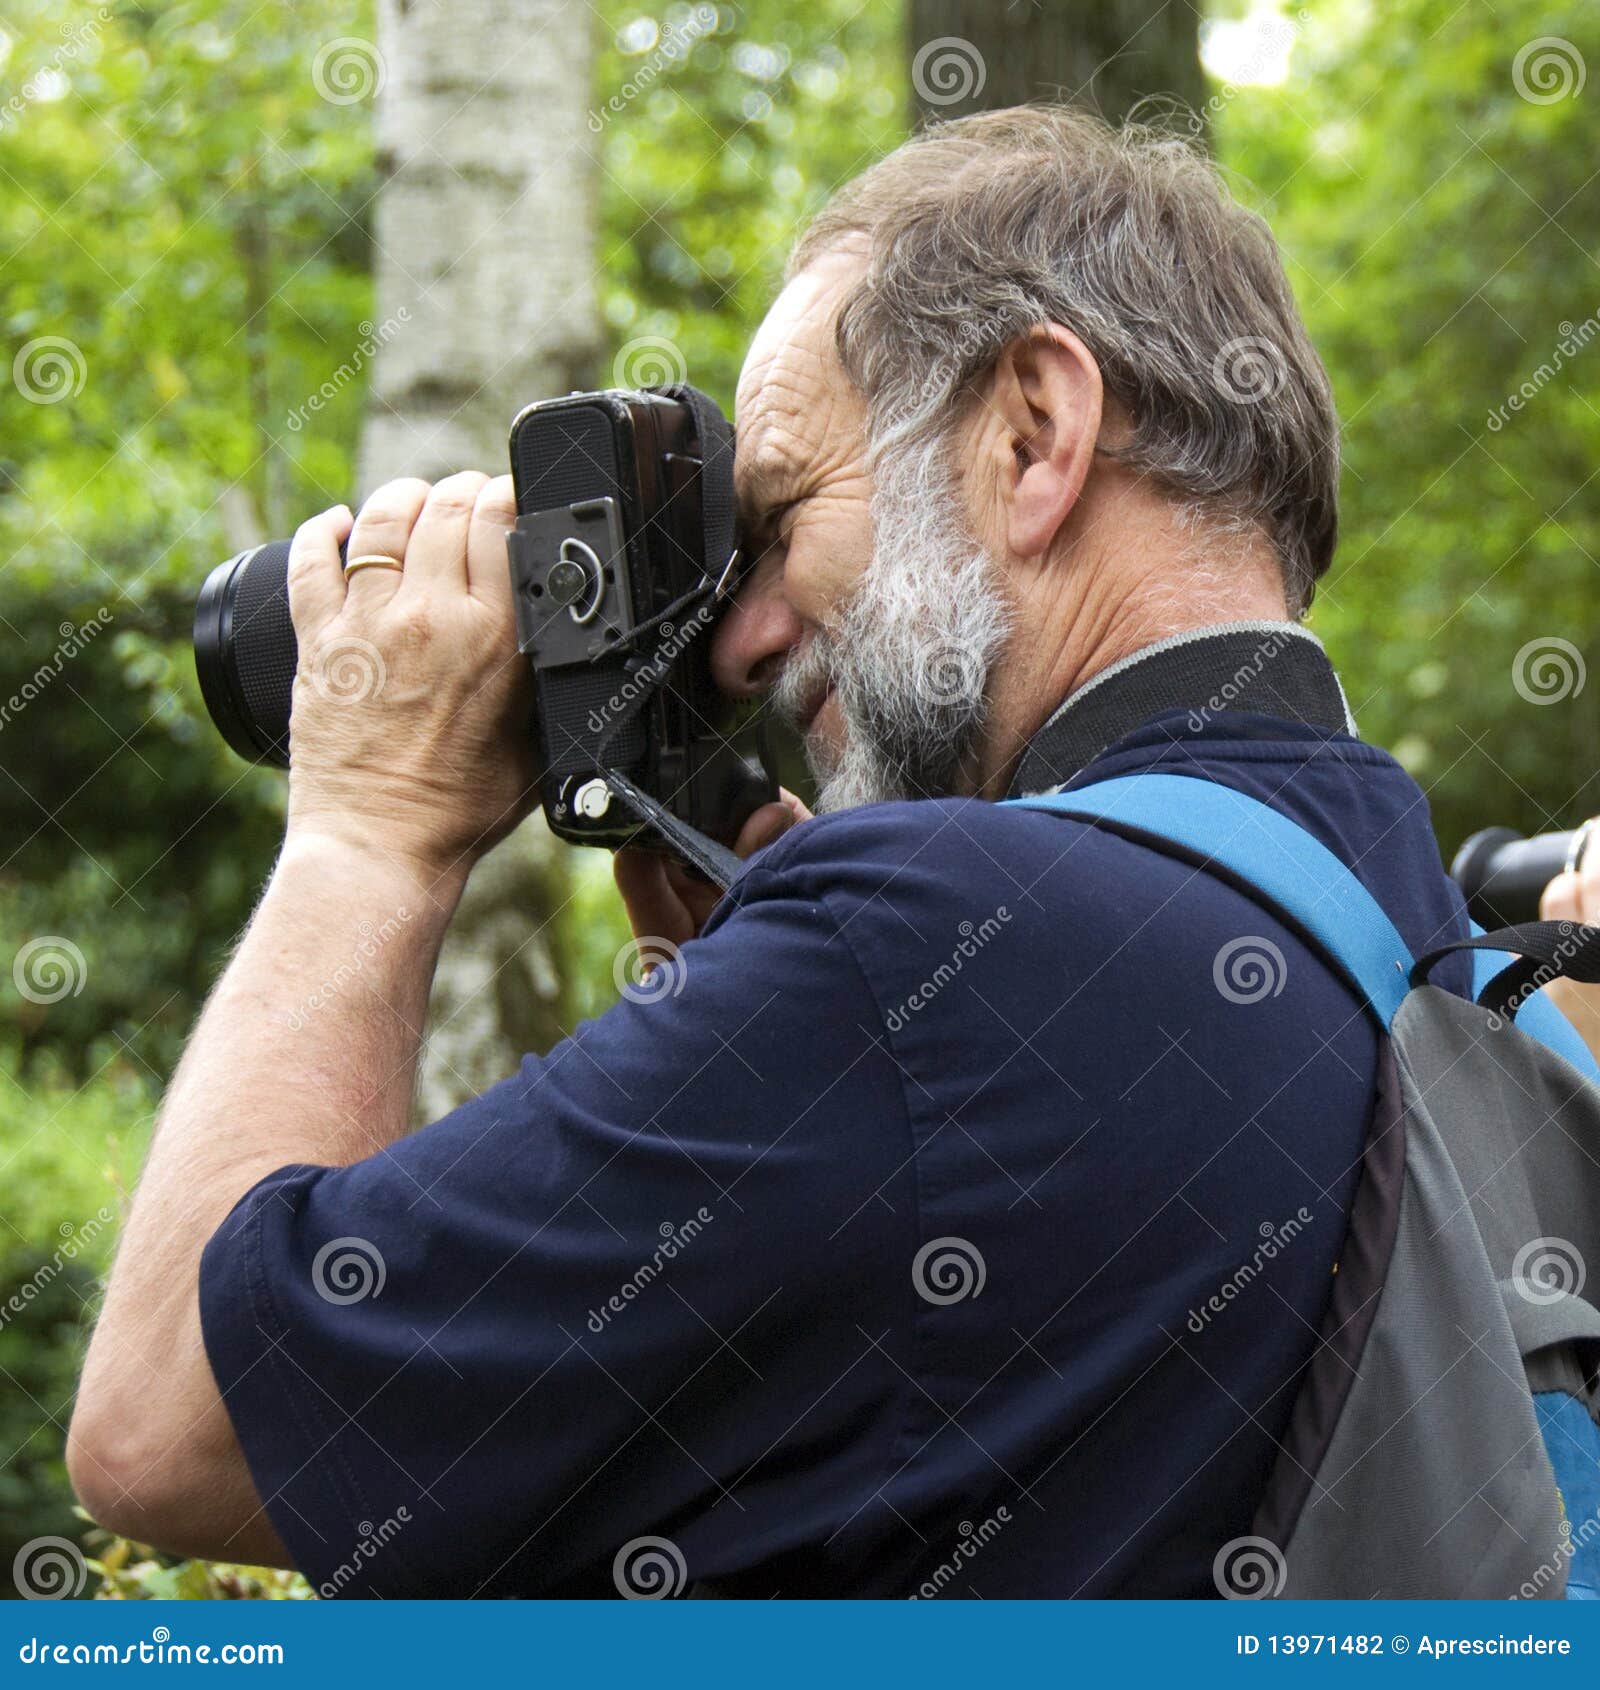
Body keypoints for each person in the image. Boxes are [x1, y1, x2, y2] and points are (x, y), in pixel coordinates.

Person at [70, 107, 1493, 1598]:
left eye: (785, 512)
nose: (745, 644)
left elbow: (171, 1426)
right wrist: (763, 1032)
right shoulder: (1433, 936)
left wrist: (369, 832)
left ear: (1033, 435)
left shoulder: (921, 961)